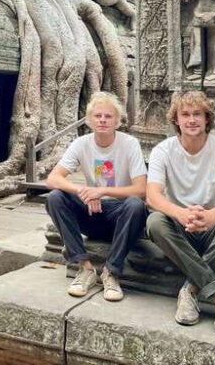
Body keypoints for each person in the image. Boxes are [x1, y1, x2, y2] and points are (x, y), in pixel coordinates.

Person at [146, 90, 215, 336]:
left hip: (212, 227)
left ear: (207, 119)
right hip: (179, 226)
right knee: (155, 222)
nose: (191, 120)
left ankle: (190, 290)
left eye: (197, 114)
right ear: (176, 120)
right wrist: (181, 214)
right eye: (185, 114)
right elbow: (152, 196)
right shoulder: (163, 150)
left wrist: (212, 216)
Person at [46, 91, 147, 302]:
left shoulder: (129, 144)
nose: (102, 120)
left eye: (108, 116)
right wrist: (83, 192)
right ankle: (85, 268)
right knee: (55, 197)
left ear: (117, 121)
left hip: (121, 216)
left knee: (136, 204)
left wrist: (102, 191)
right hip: (91, 212)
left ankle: (111, 272)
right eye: (98, 116)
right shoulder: (81, 143)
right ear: (89, 120)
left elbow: (141, 189)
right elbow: (54, 178)